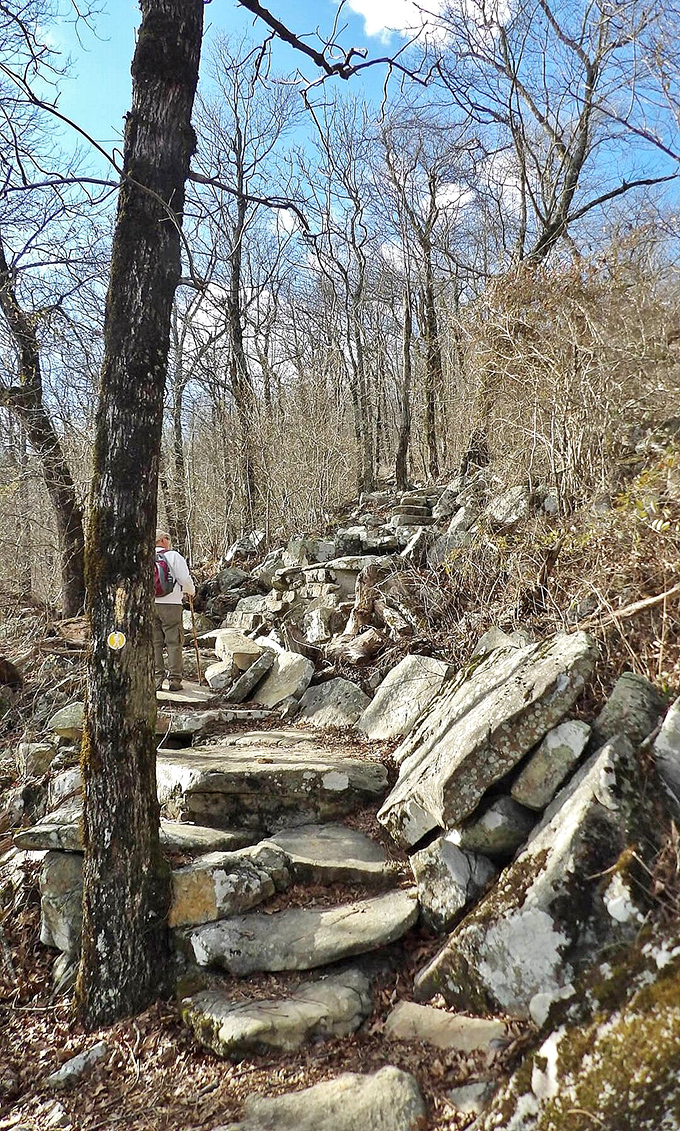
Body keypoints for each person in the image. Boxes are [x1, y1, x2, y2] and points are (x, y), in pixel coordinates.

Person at [153, 530, 195, 691]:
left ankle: (157, 679)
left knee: (155, 642)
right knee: (174, 641)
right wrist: (191, 592)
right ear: (163, 540)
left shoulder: (143, 556)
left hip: (149, 604)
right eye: (167, 539)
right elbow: (184, 579)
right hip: (171, 604)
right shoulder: (173, 556)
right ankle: (174, 680)